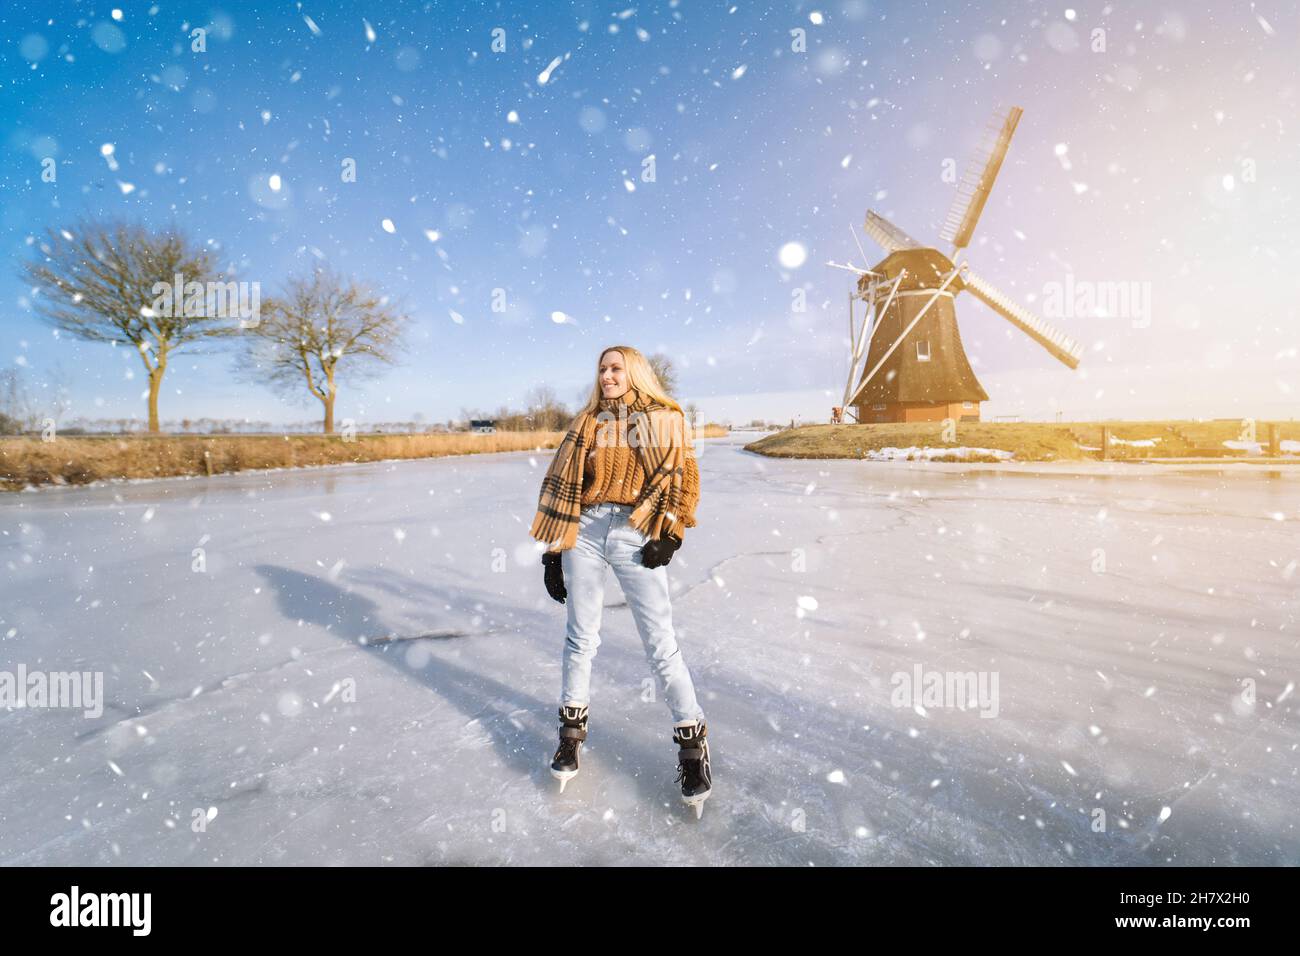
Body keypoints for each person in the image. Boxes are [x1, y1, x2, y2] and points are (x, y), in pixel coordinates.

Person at [527, 345, 711, 816]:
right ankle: (571, 736)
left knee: (660, 644)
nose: (607, 376)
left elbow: (685, 479)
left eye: (616, 368)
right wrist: (553, 553)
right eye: (602, 369)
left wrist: (672, 533)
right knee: (579, 639)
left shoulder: (665, 418)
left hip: (636, 530)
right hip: (584, 532)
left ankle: (693, 747)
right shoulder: (586, 421)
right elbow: (558, 482)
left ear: (634, 373)